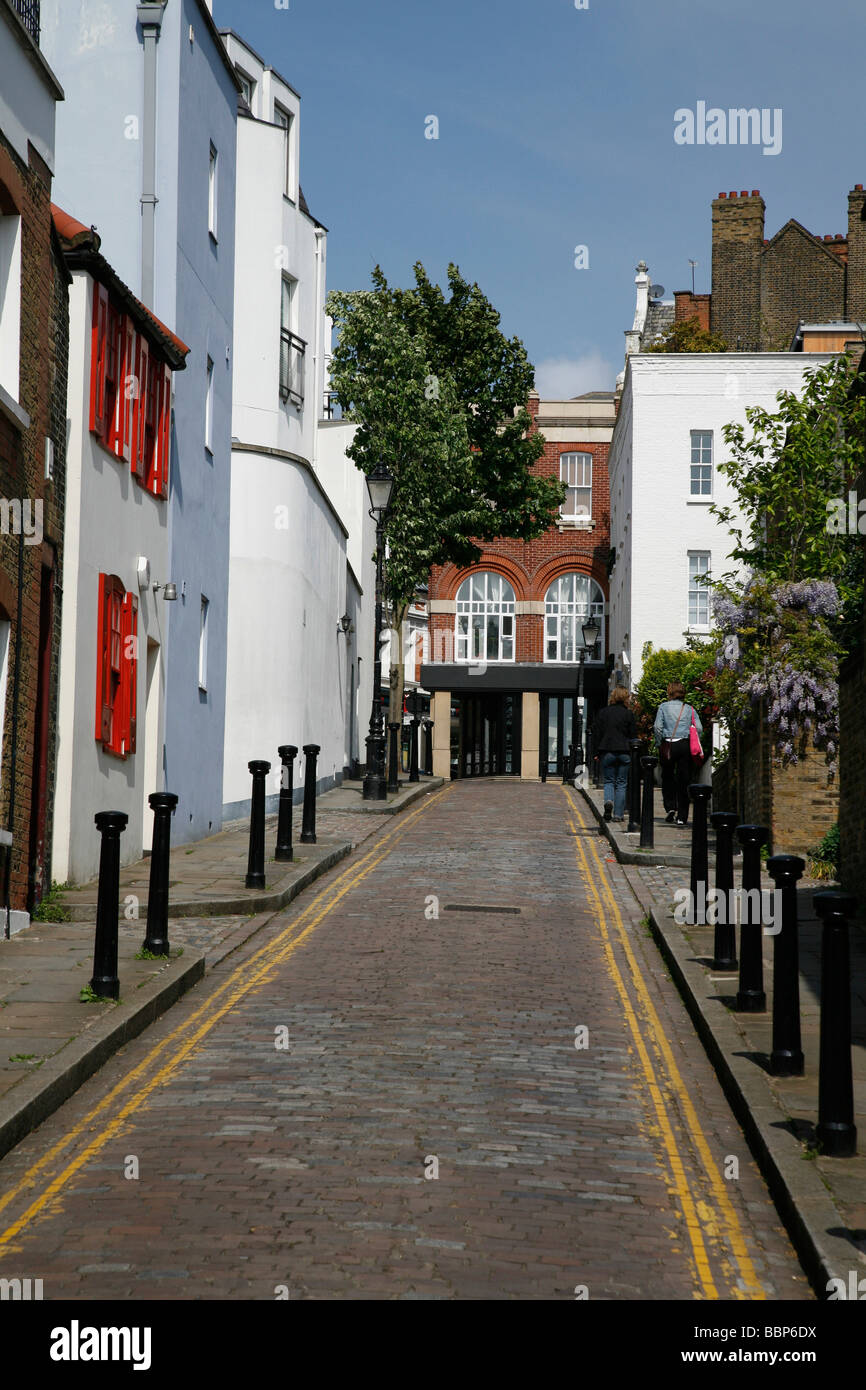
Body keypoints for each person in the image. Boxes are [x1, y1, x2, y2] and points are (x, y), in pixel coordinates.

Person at [653, 681, 703, 825]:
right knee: (684, 780)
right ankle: (682, 816)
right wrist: (694, 740)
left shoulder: (663, 707)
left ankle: (670, 807)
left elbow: (657, 727)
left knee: (667, 776)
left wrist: (658, 742)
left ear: (670, 692)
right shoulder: (689, 709)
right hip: (684, 745)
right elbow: (698, 728)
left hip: (668, 744)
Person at [592, 686, 637, 822]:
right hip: (624, 752)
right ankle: (618, 815)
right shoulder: (628, 714)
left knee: (609, 781)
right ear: (625, 698)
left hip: (607, 751)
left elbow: (596, 733)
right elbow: (633, 735)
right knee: (622, 783)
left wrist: (596, 752)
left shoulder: (603, 713)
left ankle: (609, 800)